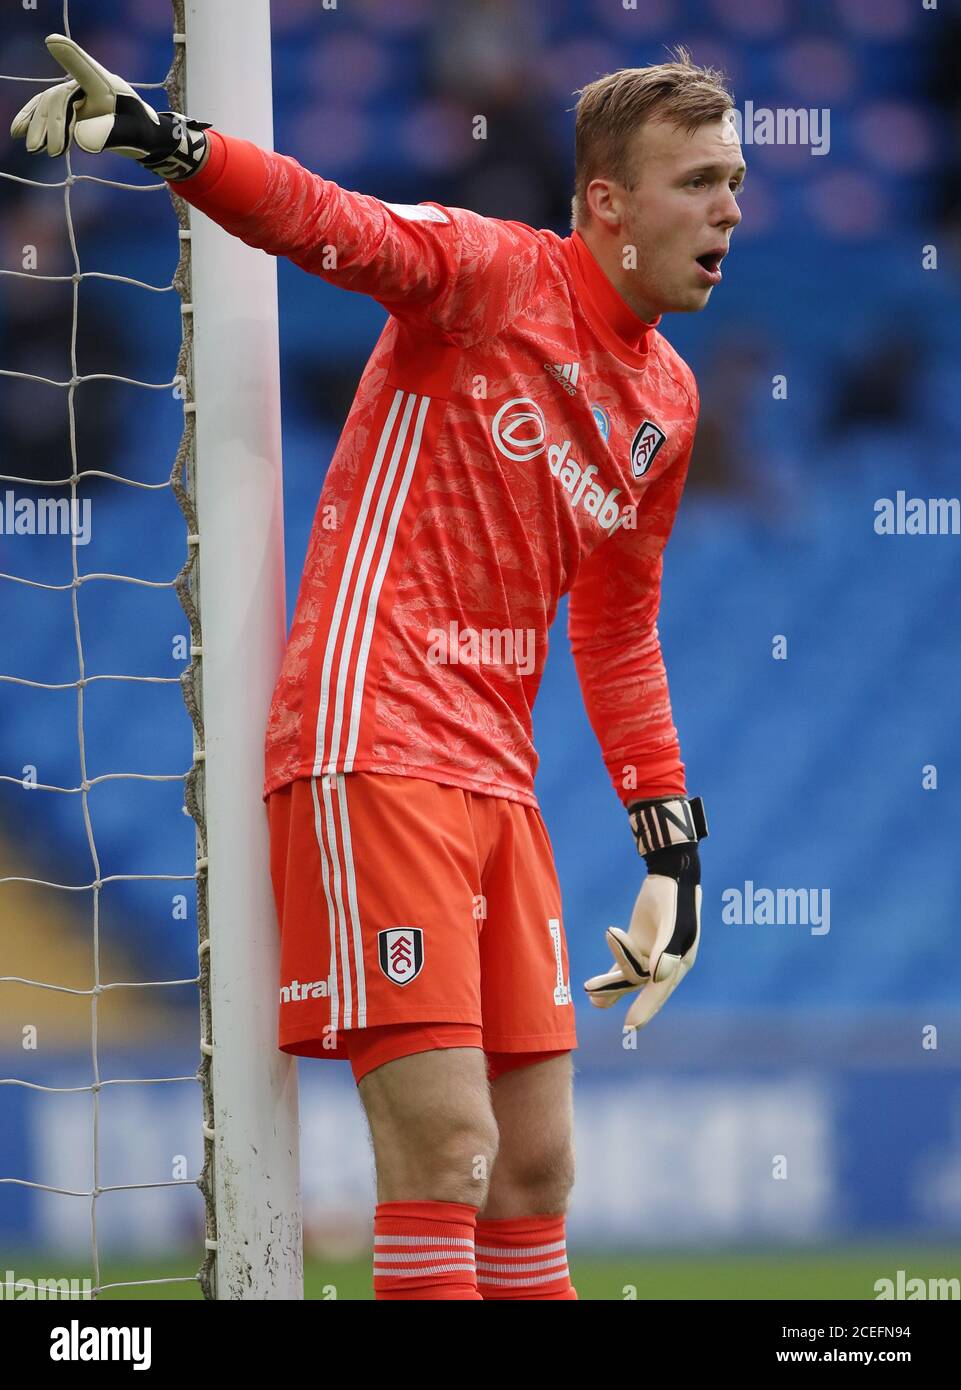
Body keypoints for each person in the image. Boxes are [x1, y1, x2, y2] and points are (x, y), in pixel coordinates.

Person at [13, 35, 744, 1301]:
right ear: (606, 204)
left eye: (735, 180)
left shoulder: (667, 400)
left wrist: (669, 848)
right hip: (374, 742)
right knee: (448, 1150)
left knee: (535, 1173)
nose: (730, 206)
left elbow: (618, 628)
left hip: (497, 784)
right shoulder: (493, 273)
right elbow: (327, 222)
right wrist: (167, 141)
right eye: (697, 182)